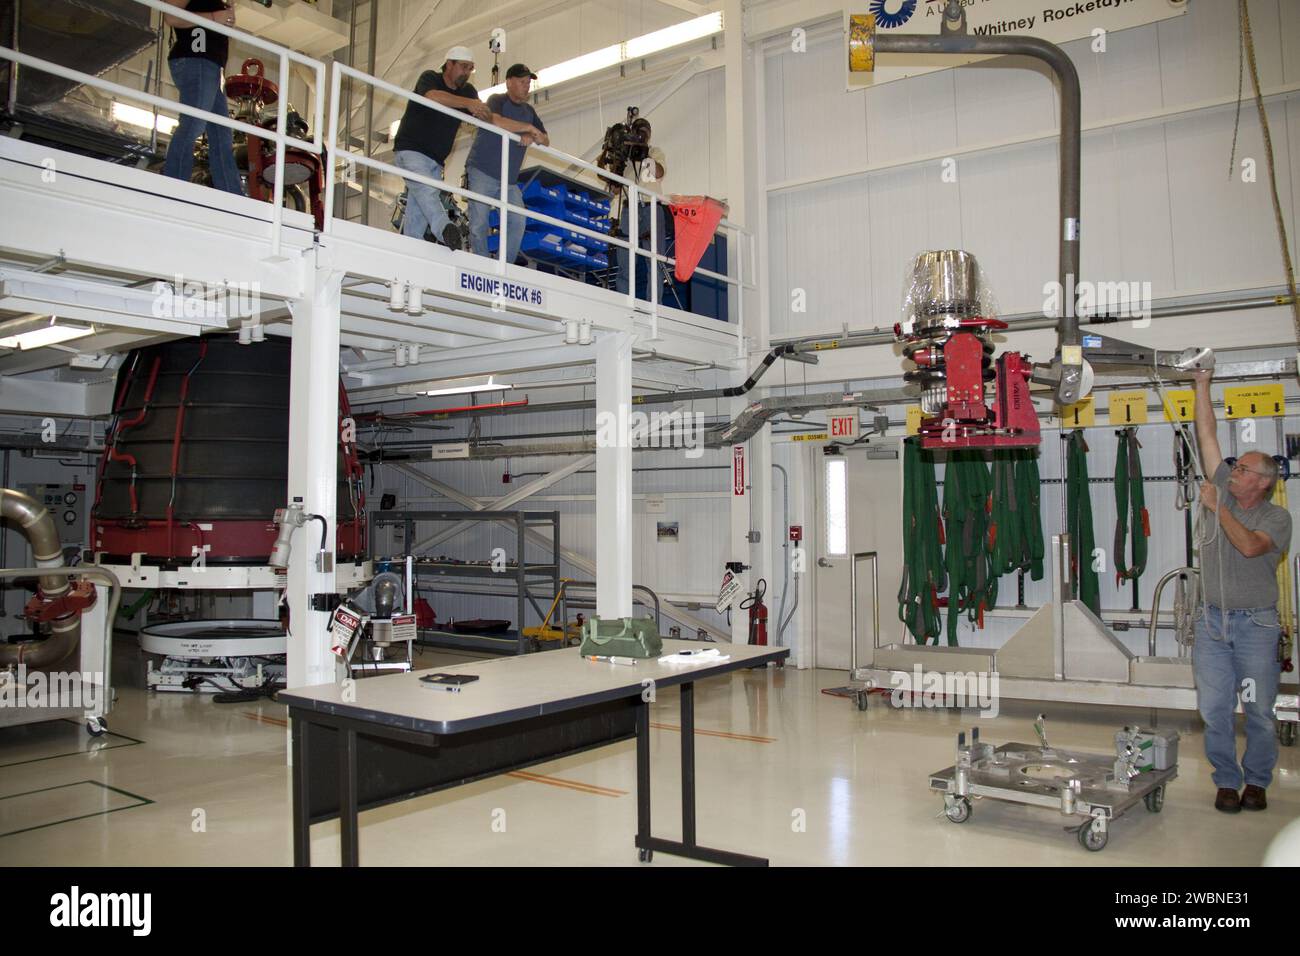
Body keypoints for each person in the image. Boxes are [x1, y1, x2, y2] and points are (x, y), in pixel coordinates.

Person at [1192, 366, 1291, 813]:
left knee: (1259, 714)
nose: (1234, 471)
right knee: (1214, 711)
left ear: (1262, 482)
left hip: (1256, 625)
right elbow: (1207, 433)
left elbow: (1250, 548)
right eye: (1234, 467)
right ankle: (1227, 781)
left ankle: (1257, 781)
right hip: (1212, 621)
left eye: (1244, 468)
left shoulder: (1276, 519)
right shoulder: (1223, 489)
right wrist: (1202, 384)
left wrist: (1217, 510)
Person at [392, 46, 491, 249]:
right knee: (427, 193)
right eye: (463, 67)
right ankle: (444, 228)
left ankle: (409, 250)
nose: (466, 73)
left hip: (436, 160)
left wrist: (483, 112)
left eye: (470, 69)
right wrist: (469, 104)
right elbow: (432, 96)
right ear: (449, 64)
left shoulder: (468, 92)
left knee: (419, 207)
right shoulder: (430, 78)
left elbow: (480, 114)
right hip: (411, 149)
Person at [465, 64, 548, 266]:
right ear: (509, 82)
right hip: (483, 171)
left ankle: (504, 266)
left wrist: (533, 135)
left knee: (518, 220)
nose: (526, 86)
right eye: (522, 82)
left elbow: (545, 139)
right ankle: (481, 266)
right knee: (479, 223)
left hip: (508, 181)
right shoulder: (497, 100)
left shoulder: (529, 111)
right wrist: (527, 129)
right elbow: (495, 120)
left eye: (528, 83)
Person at [161, 0, 243, 195]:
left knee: (221, 135)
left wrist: (224, 17)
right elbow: (170, 16)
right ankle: (173, 184)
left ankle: (232, 194)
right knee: (194, 124)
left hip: (210, 66)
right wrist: (216, 17)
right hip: (197, 60)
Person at [609, 117, 667, 299]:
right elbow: (615, 189)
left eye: (645, 132)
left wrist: (644, 154)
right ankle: (624, 303)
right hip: (628, 209)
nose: (642, 135)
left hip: (651, 206)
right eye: (639, 132)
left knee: (654, 261)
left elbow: (659, 172)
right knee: (625, 262)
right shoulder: (624, 156)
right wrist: (618, 163)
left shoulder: (654, 151)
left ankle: (654, 306)